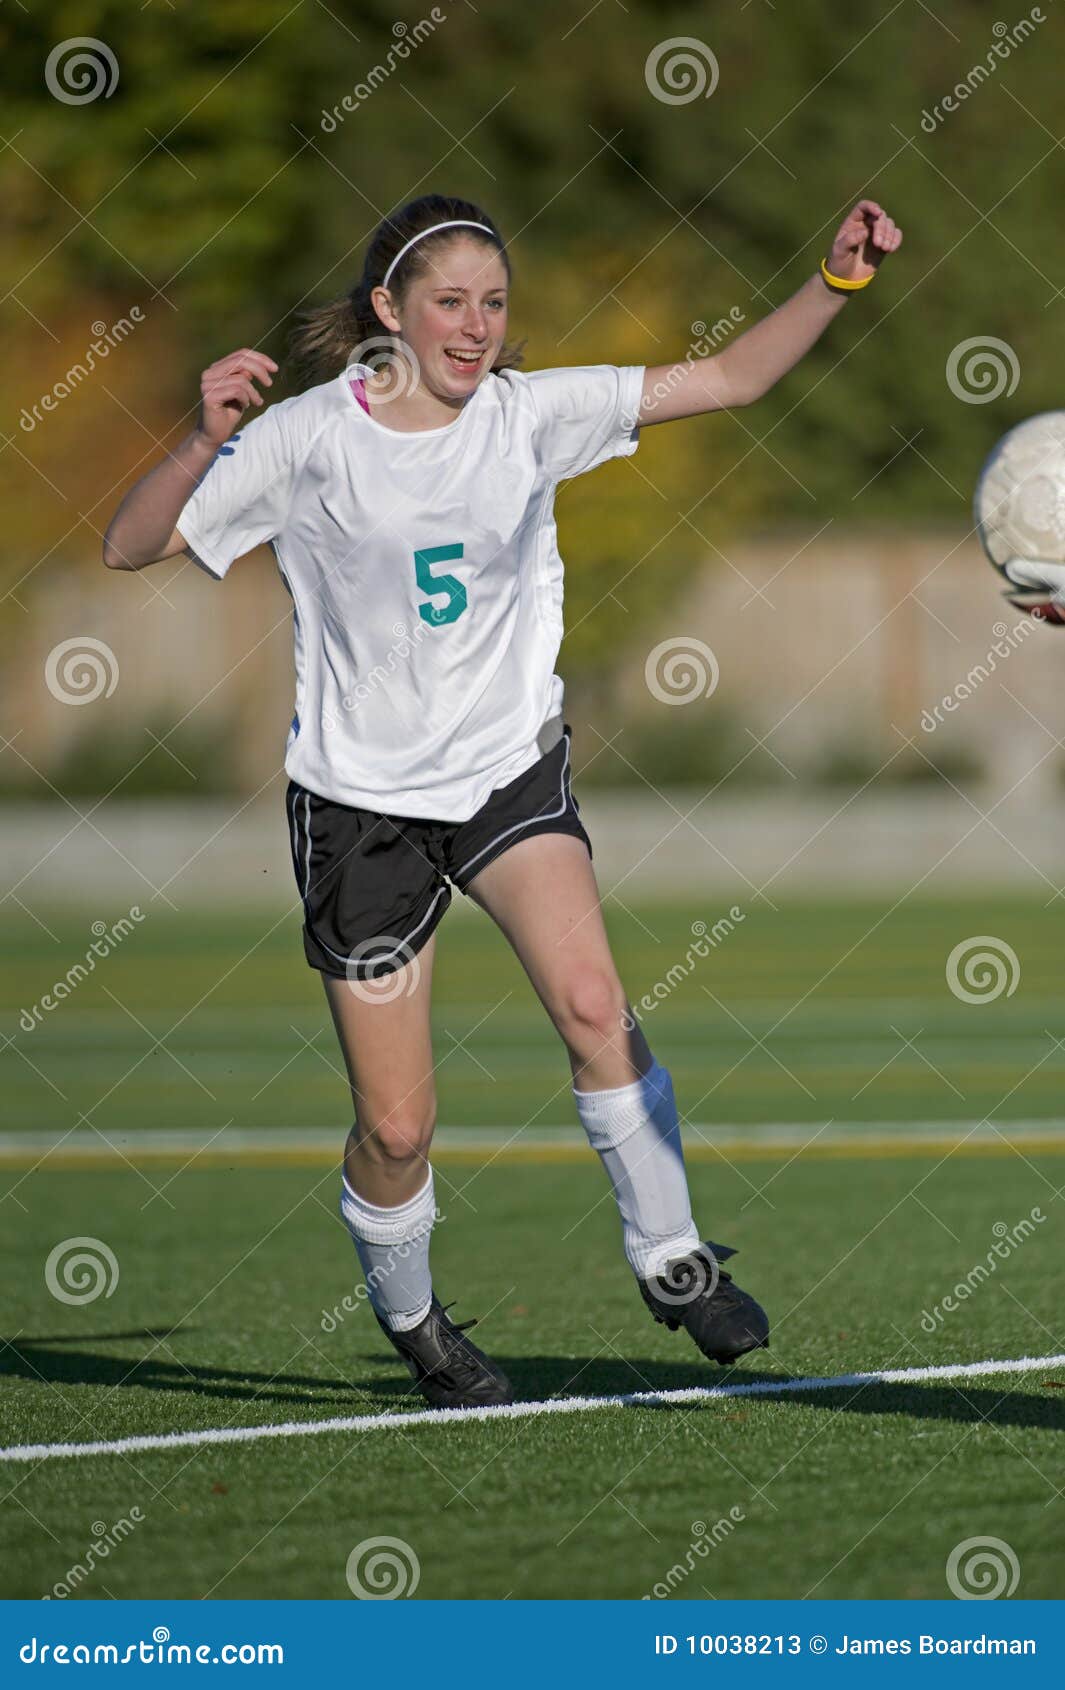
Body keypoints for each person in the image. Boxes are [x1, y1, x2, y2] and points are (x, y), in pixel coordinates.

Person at [102, 191, 903, 1411]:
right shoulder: (308, 436)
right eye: (449, 302)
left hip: (503, 772)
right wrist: (201, 436)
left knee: (593, 1002)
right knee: (401, 1130)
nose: (477, 326)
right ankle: (418, 1323)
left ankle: (672, 1256)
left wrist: (836, 281)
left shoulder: (534, 415)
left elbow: (733, 376)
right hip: (360, 807)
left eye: (493, 302)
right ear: (389, 310)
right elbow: (129, 545)